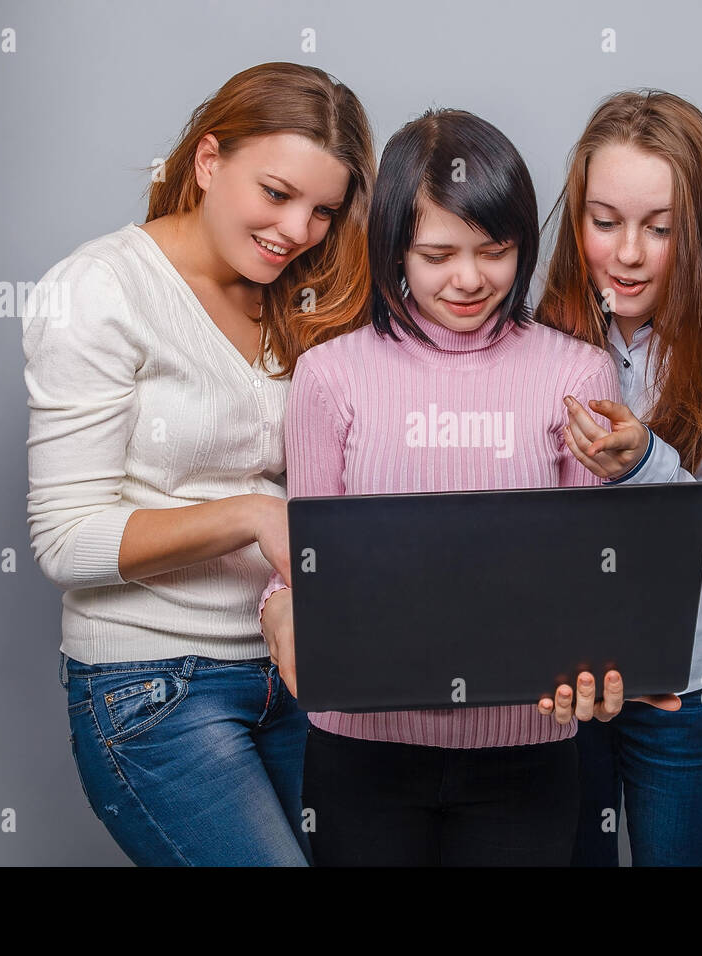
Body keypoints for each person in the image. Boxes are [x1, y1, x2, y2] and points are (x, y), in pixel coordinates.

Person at [22, 62, 374, 865]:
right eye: (276, 194)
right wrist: (252, 515)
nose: (297, 230)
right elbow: (63, 541)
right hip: (154, 684)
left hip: (293, 672)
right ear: (208, 162)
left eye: (323, 210)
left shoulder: (297, 290)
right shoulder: (98, 292)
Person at [257, 108, 627, 866]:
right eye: (437, 254)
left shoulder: (576, 373)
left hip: (527, 755)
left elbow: (593, 568)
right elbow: (301, 559)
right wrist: (282, 609)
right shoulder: (330, 376)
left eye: (494, 251)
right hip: (360, 754)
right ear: (394, 246)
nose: (469, 279)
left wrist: (605, 656)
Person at [536, 89, 702, 866]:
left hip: (688, 687)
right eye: (605, 221)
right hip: (565, 679)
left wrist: (649, 465)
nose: (628, 254)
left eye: (661, 228)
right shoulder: (538, 325)